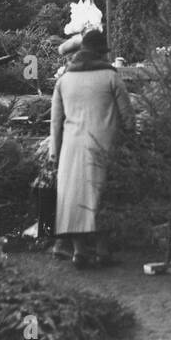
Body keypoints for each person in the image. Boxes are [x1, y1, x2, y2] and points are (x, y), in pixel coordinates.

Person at [48, 27, 134, 268]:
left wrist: (54, 152)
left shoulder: (64, 80)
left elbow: (55, 122)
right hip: (104, 145)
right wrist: (129, 134)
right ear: (100, 54)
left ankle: (78, 251)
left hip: (71, 147)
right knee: (102, 197)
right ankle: (103, 250)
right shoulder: (111, 76)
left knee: (74, 197)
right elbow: (127, 115)